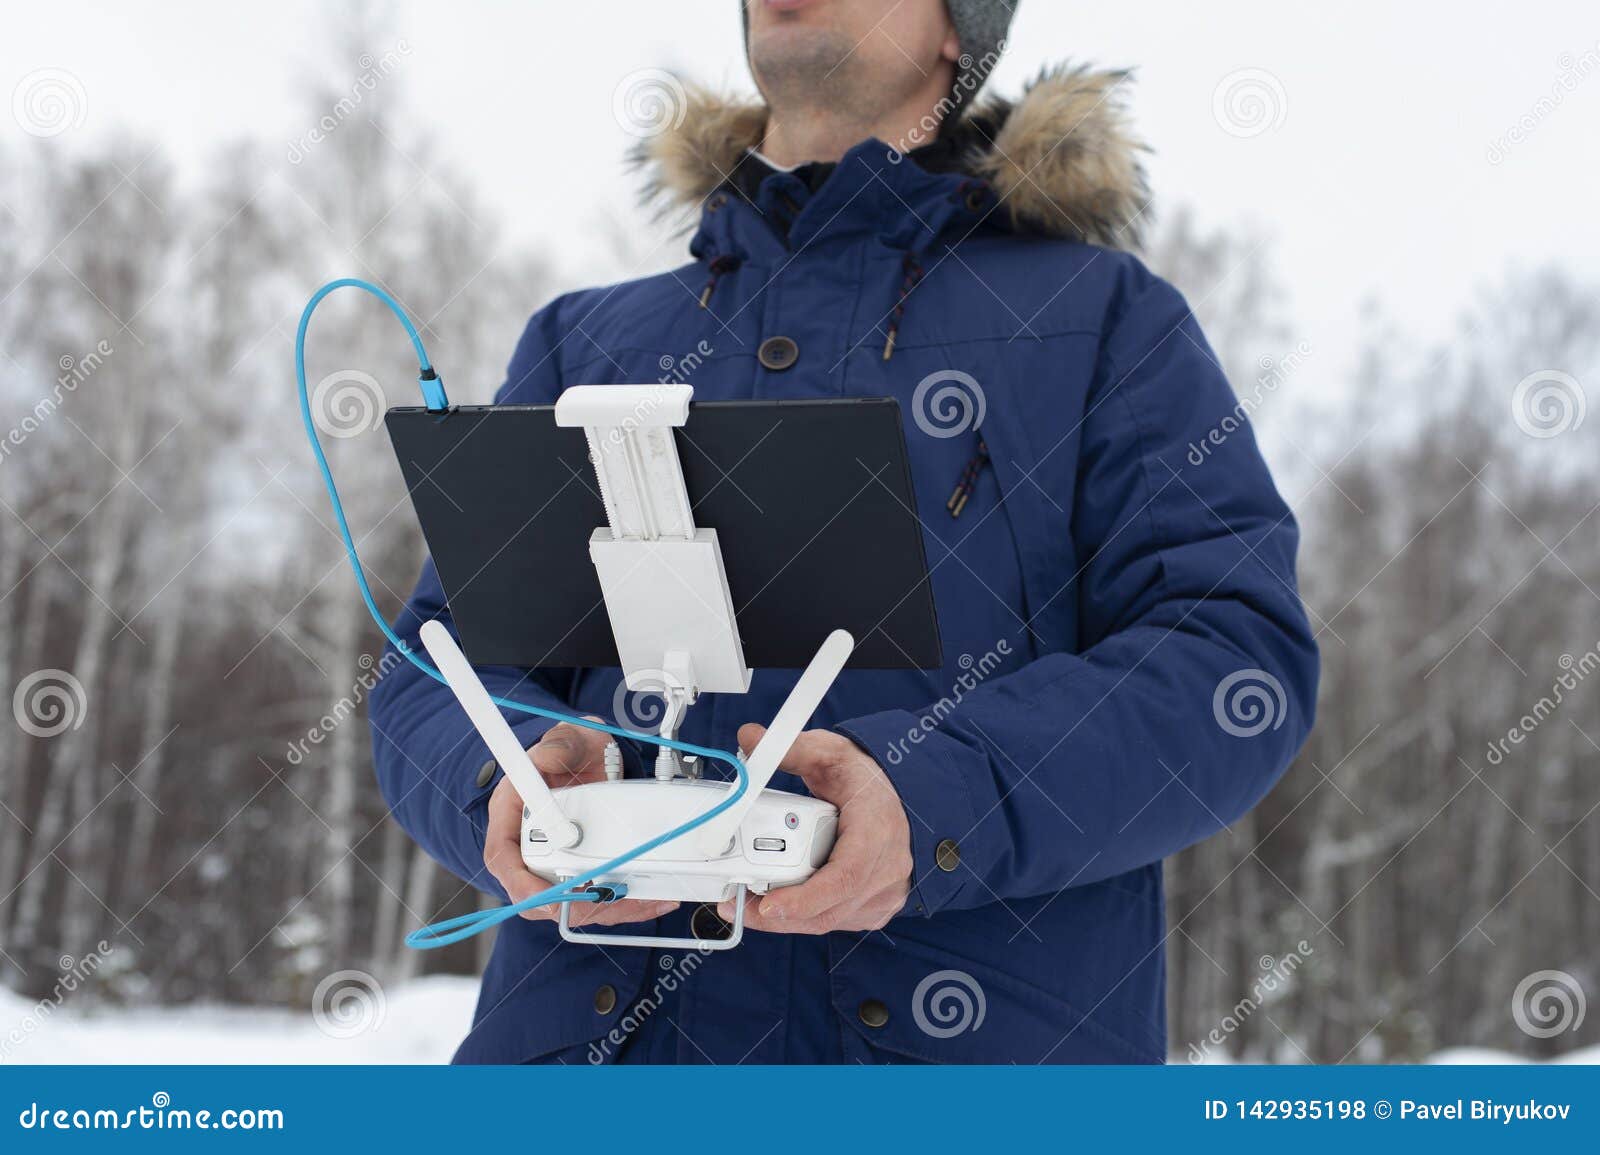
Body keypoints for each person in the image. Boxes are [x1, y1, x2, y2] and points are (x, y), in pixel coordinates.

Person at [369, 0, 1319, 1064]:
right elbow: (434, 666)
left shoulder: (1101, 322)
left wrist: (929, 803)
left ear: (960, 30)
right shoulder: (587, 340)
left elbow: (1232, 664)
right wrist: (502, 779)